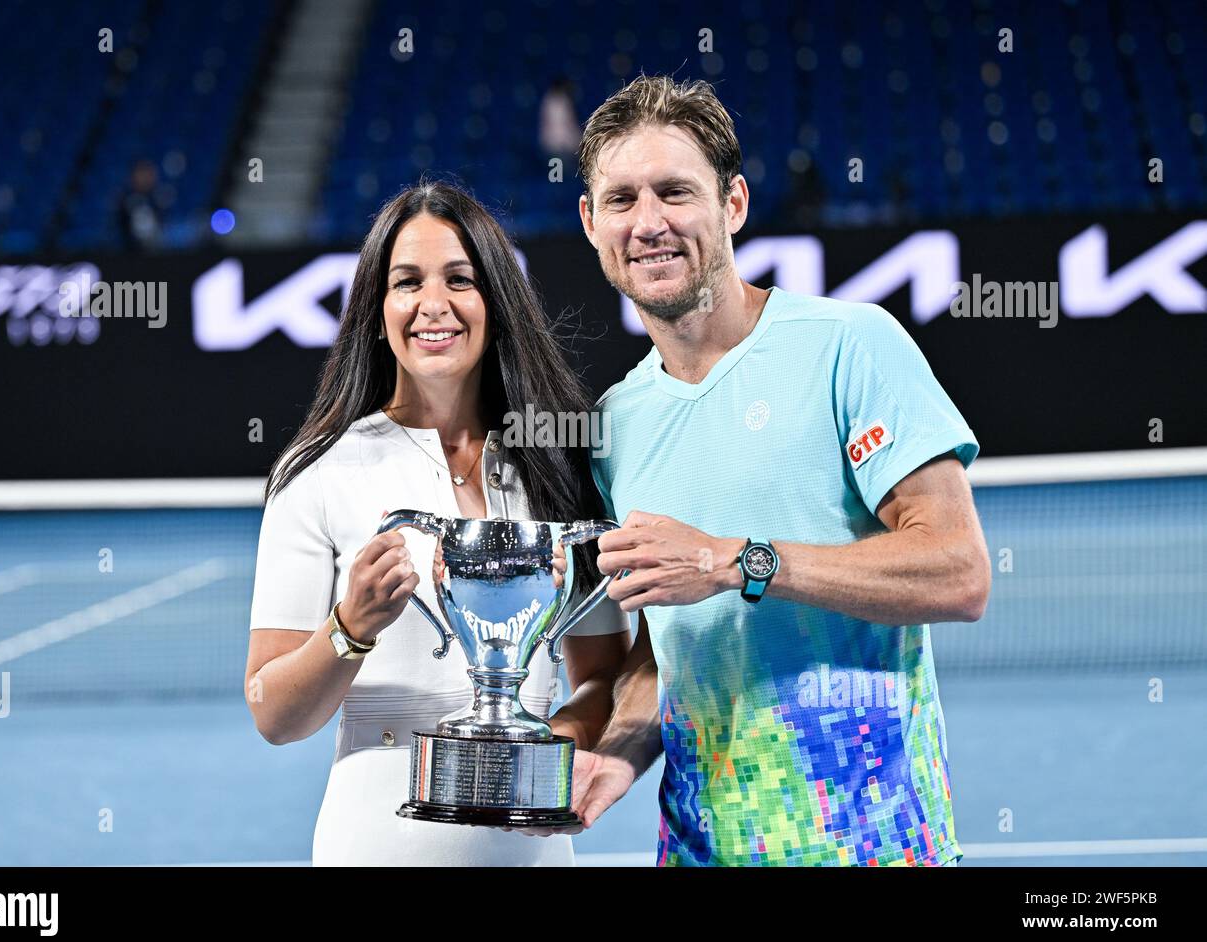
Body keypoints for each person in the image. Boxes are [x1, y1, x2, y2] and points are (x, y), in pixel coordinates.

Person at [566, 75, 990, 866]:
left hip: (876, 846)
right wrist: (618, 752)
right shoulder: (612, 426)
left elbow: (959, 572)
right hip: (699, 849)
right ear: (591, 222)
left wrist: (735, 560)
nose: (649, 222)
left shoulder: (853, 344)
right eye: (621, 200)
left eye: (674, 192)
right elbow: (672, 645)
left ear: (733, 204)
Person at [245, 179, 630, 866]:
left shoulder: (561, 465)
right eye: (406, 282)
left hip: (532, 849)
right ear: (377, 306)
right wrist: (350, 626)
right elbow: (274, 713)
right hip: (375, 843)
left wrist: (555, 747)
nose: (433, 305)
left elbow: (603, 674)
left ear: (498, 302)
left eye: (460, 279)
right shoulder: (318, 472)